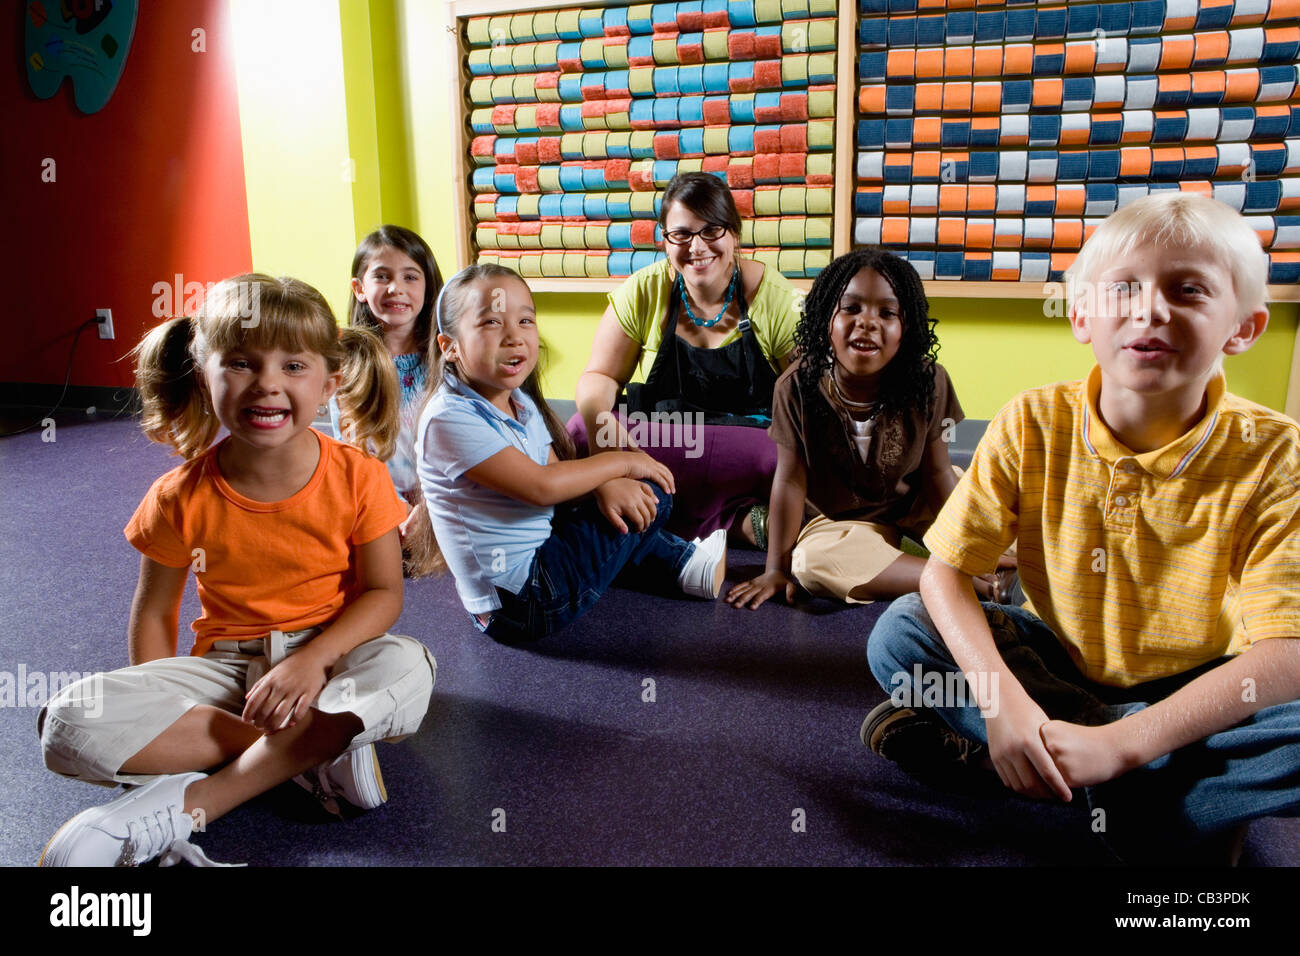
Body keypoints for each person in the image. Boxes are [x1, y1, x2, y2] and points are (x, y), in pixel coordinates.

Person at [863, 192, 1300, 863]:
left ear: (1242, 328)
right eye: (1123, 286)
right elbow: (946, 574)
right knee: (900, 633)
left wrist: (1123, 743)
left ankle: (1073, 769)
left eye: (1188, 290)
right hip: (1058, 666)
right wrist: (1002, 703)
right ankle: (1157, 795)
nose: (1149, 308)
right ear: (1081, 315)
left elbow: (1286, 654)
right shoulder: (1031, 422)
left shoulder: (1275, 452)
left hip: (1205, 686)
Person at [37, 275, 437, 867]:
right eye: (243, 363)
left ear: (330, 382)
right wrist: (163, 703)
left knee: (408, 665)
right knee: (64, 722)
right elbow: (154, 613)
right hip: (227, 674)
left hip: (334, 663)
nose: (268, 383)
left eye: (294, 366)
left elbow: (382, 595)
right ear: (205, 374)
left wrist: (308, 662)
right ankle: (307, 756)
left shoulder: (360, 476)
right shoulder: (177, 495)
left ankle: (201, 800)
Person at [411, 264, 727, 643]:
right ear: (450, 347)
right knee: (651, 494)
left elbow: (554, 472)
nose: (514, 337)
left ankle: (684, 566)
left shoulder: (518, 401)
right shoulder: (447, 417)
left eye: (525, 320)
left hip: (533, 570)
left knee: (619, 495)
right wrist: (622, 463)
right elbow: (542, 487)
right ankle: (684, 563)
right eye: (491, 323)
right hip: (525, 602)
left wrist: (604, 485)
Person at [726, 249, 1012, 610]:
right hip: (839, 525)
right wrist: (775, 569)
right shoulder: (796, 386)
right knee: (812, 562)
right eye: (851, 308)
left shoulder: (930, 381)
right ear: (824, 318)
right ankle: (956, 581)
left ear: (905, 328)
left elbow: (938, 473)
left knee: (1007, 531)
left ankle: (990, 571)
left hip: (915, 504)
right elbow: (789, 481)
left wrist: (972, 546)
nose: (868, 322)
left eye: (887, 313)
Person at [571, 172, 801, 545]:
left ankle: (651, 514)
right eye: (681, 234)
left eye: (712, 231)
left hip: (746, 442)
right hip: (666, 433)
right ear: (664, 240)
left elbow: (808, 393)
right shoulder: (644, 290)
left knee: (779, 454)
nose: (697, 247)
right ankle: (739, 524)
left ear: (734, 234)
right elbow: (599, 375)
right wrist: (601, 433)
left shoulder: (775, 296)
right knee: (581, 431)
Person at [334, 224, 445, 545]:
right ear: (359, 288)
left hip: (442, 494)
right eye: (382, 276)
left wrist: (427, 506)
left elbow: (459, 442)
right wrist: (392, 503)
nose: (396, 288)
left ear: (427, 288)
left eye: (410, 277)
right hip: (375, 494)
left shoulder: (446, 357)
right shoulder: (345, 361)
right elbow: (351, 450)